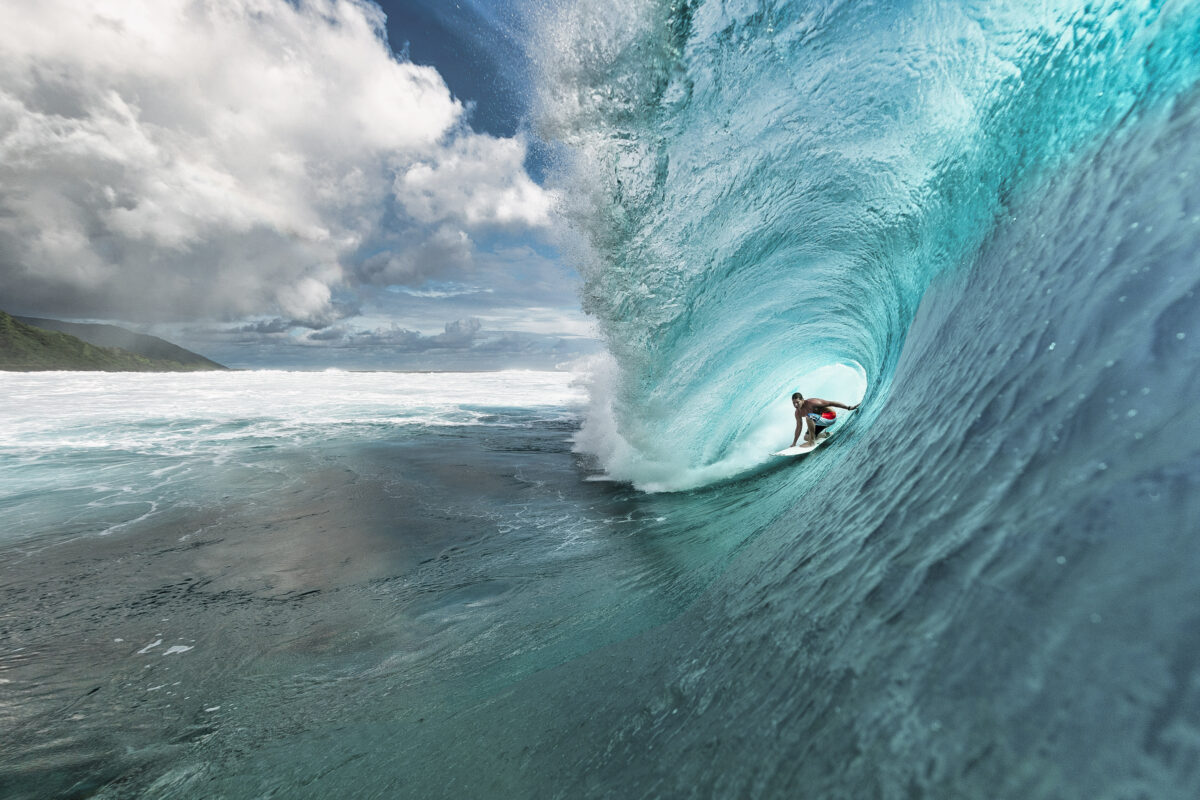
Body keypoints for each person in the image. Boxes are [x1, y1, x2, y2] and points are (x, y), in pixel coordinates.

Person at [791, 392, 859, 448]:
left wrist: (848, 407)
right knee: (806, 437)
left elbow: (831, 403)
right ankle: (824, 435)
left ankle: (812, 442)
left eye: (797, 402)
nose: (796, 405)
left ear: (802, 399)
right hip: (820, 421)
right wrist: (794, 443)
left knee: (809, 417)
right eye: (794, 403)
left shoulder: (812, 402)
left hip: (830, 416)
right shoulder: (797, 413)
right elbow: (799, 427)